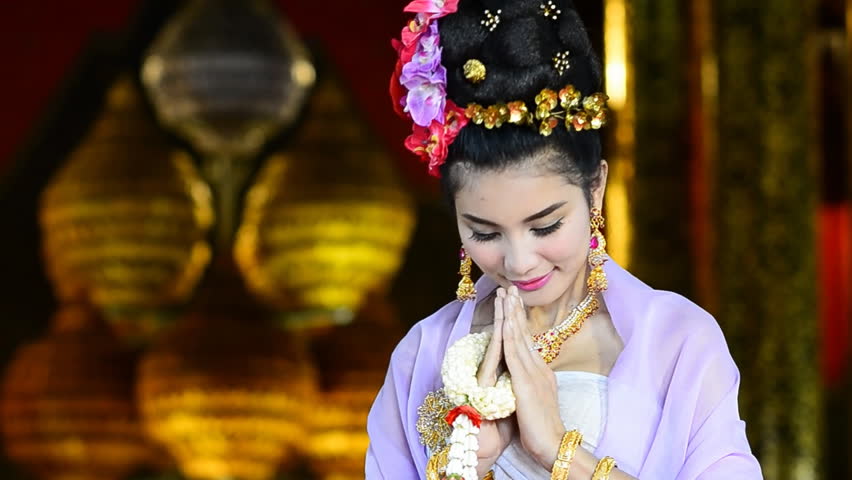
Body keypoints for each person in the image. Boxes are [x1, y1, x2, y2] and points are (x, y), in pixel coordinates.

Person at [366, 0, 762, 478]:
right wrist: (472, 464)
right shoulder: (419, 359)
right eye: (484, 232)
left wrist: (556, 447)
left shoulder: (679, 344)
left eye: (546, 226)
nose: (520, 261)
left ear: (595, 189)